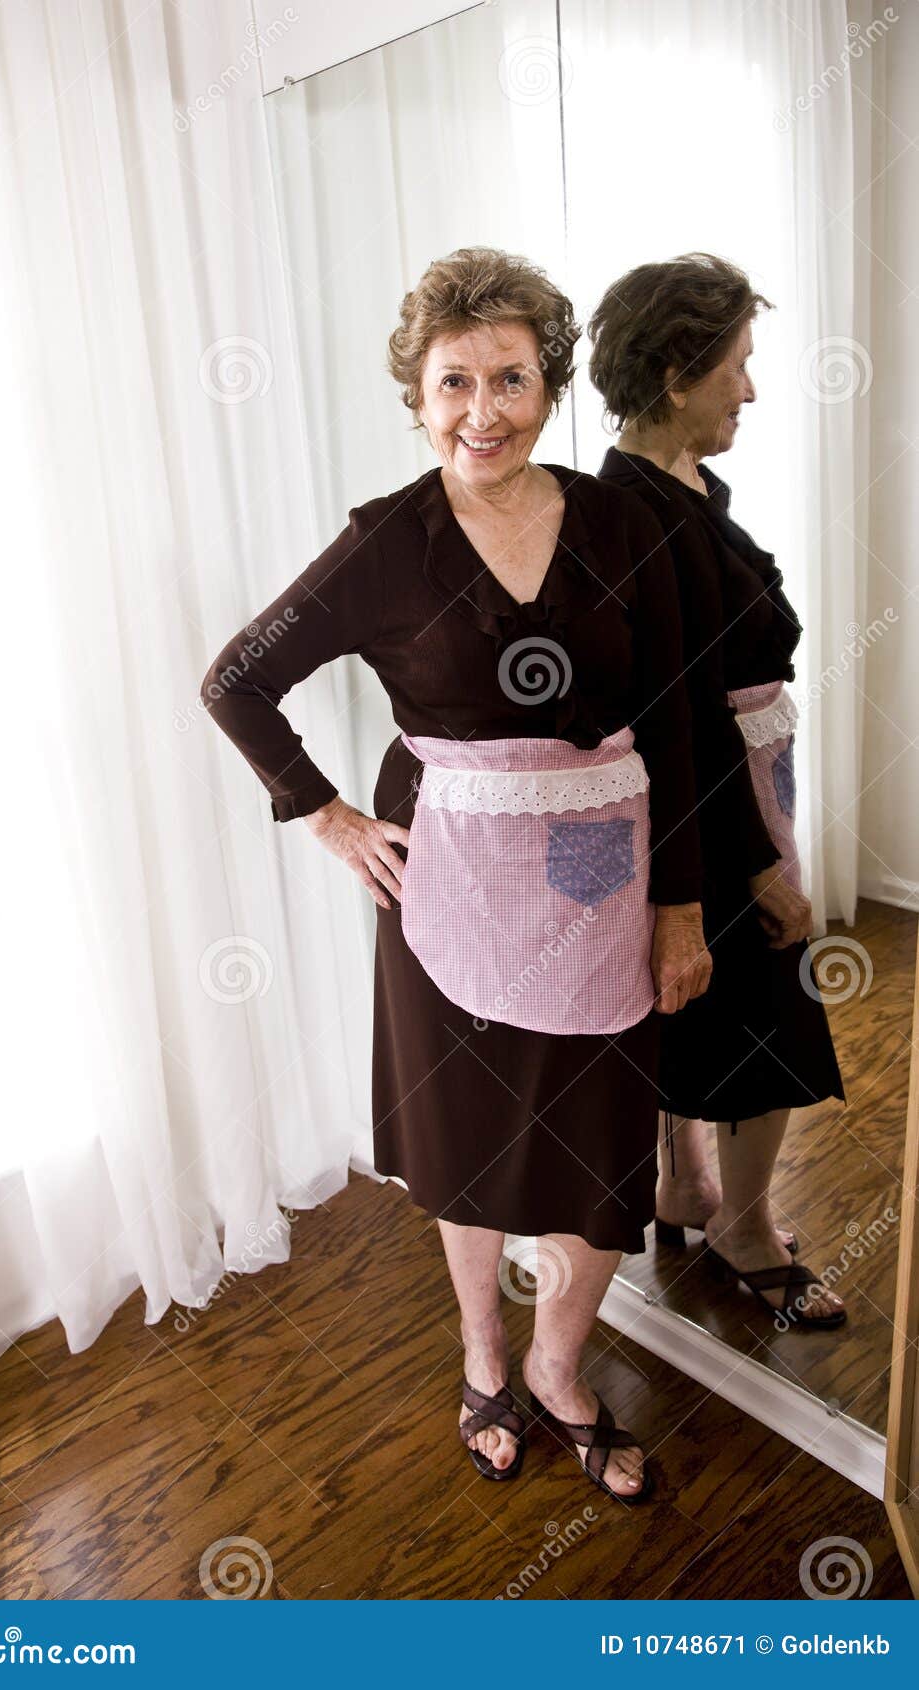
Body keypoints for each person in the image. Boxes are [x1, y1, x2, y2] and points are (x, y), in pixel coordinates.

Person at [202, 247, 711, 1502]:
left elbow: (679, 714)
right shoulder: (385, 543)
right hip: (449, 873)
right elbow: (235, 679)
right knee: (469, 1130)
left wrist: (680, 902)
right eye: (453, 383)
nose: (482, 410)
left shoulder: (615, 517)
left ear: (548, 389)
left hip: (601, 854)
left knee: (597, 1144)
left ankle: (556, 1363)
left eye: (510, 379)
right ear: (415, 396)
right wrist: (320, 813)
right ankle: (483, 1348)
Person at [592, 251, 846, 1332]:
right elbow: (679, 723)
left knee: (690, 1015)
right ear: (673, 374)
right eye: (735, 367)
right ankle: (742, 1228)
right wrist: (757, 869)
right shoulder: (637, 515)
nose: (748, 389)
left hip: (731, 799)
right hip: (712, 816)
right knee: (765, 1023)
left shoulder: (684, 488)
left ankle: (683, 1188)